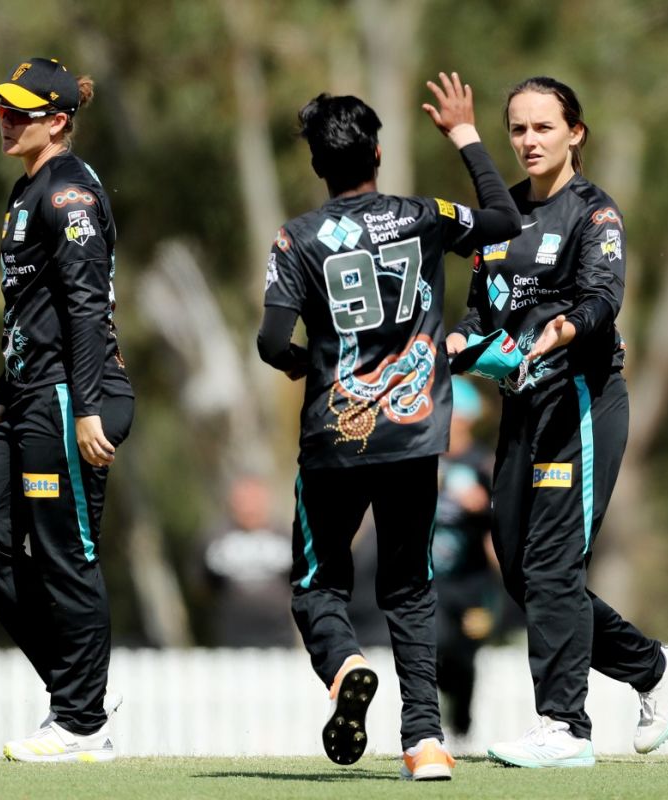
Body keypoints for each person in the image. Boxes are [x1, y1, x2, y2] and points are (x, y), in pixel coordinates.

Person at [256, 73, 521, 781]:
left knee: (318, 585)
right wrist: (465, 134)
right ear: (377, 152)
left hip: (334, 437)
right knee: (409, 589)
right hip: (414, 434)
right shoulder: (422, 214)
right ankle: (426, 743)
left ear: (317, 164)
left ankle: (345, 671)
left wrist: (301, 364)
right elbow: (502, 220)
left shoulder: (297, 239)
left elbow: (271, 339)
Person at [448, 76, 668, 769]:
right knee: (523, 574)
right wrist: (450, 345)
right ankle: (653, 669)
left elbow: (602, 300)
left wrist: (562, 330)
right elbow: (480, 316)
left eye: (544, 128)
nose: (529, 141)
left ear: (575, 133)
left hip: (582, 403)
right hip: (523, 411)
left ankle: (564, 726)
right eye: (519, 129)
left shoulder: (594, 215)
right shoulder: (496, 224)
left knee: (553, 563)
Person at [0, 57, 133, 763]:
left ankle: (81, 721)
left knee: (66, 557)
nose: (5, 120)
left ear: (58, 121)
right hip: (31, 397)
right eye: (1, 109)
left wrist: (85, 408)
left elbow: (86, 311)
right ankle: (79, 685)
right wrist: (2, 397)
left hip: (70, 397)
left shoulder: (69, 196)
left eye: (20, 112)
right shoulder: (24, 190)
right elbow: (24, 313)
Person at [431, 377, 500, 745]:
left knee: (465, 656)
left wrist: (483, 506)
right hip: (432, 581)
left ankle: (462, 723)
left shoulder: (481, 464)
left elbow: (501, 524)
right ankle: (434, 723)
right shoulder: (424, 459)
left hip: (472, 583)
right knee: (435, 646)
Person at [195, 475, 297, 647]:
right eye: (243, 500)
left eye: (254, 499)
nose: (249, 507)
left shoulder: (287, 536)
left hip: (279, 636)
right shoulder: (215, 539)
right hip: (230, 636)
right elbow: (202, 586)